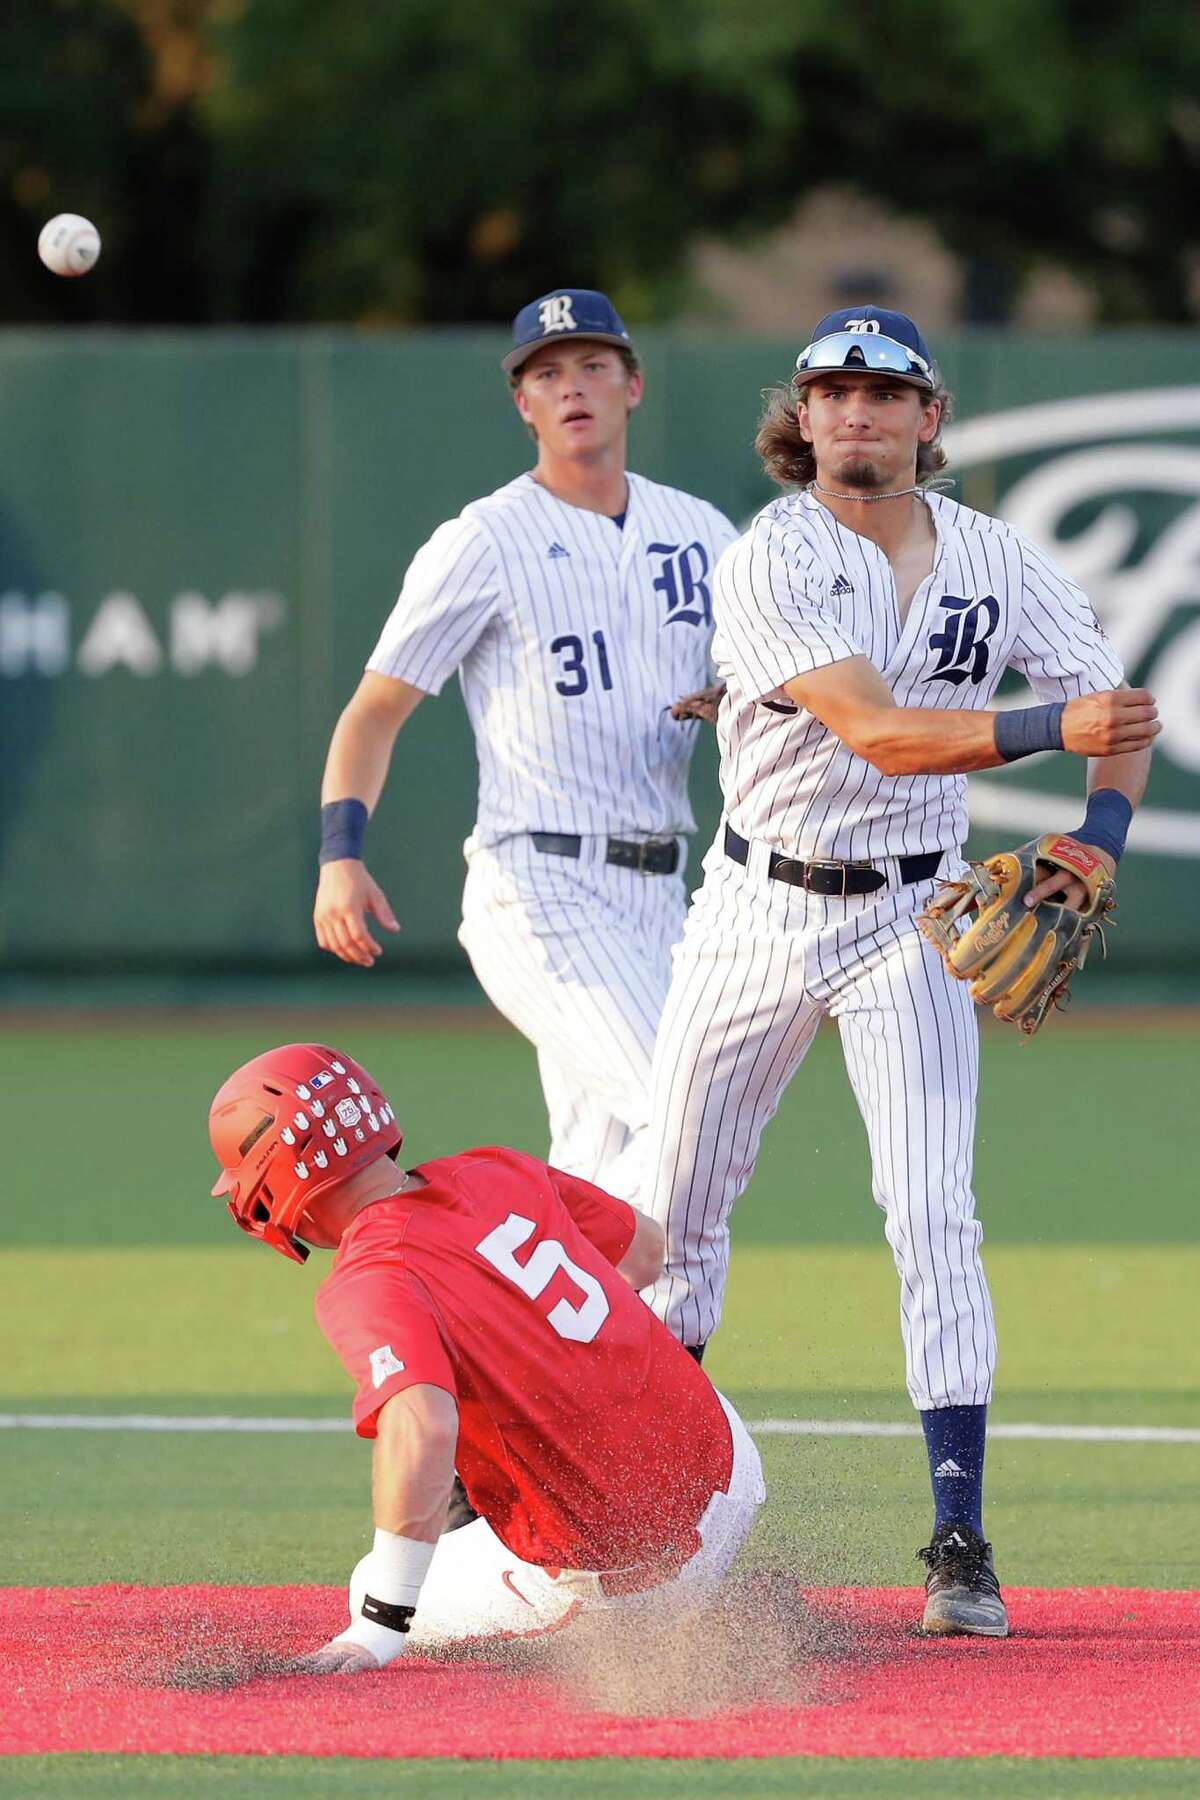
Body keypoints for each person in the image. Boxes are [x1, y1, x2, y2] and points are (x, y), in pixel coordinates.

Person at [640, 307, 1159, 1638]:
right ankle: (653, 1517)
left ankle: (960, 1541)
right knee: (674, 1212)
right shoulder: (774, 557)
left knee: (935, 1218)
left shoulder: (1000, 558)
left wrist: (1099, 835)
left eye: (884, 390)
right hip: (756, 908)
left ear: (929, 417)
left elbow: (1122, 714)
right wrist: (1056, 726)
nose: (857, 410)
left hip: (911, 922)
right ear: (800, 419)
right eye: (833, 390)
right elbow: (876, 732)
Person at [313, 289, 737, 1207]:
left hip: (665, 893)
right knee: (692, 1110)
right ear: (523, 404)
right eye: (546, 374)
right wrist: (341, 858)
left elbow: (782, 684)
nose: (571, 387)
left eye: (591, 366)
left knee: (605, 1162)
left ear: (633, 385)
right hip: (538, 882)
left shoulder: (702, 534)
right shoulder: (484, 540)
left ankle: (566, 1337)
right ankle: (553, 1311)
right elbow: (373, 711)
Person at [207, 1041, 765, 1673]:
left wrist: (382, 1624)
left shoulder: (369, 1274)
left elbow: (422, 1425)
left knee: (371, 1580)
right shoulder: (493, 1168)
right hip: (729, 1461)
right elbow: (645, 1252)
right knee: (485, 1379)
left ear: (276, 1176)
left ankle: (661, 1615)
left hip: (640, 1568)